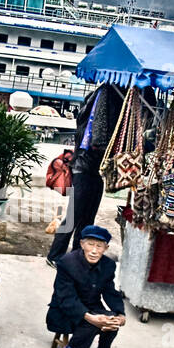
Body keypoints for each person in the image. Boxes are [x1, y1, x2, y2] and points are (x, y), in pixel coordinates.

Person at [45, 83, 124, 267]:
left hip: (93, 168)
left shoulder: (105, 95)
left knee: (88, 217)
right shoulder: (106, 95)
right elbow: (95, 135)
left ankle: (76, 255)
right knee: (73, 216)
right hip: (84, 166)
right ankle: (54, 256)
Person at [48, 224, 127, 348]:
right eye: (90, 244)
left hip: (92, 305)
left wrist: (120, 313)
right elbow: (66, 297)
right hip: (64, 309)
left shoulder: (108, 265)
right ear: (82, 244)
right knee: (92, 322)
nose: (94, 251)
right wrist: (89, 317)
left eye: (99, 246)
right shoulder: (67, 262)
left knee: (112, 319)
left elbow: (110, 292)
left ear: (106, 248)